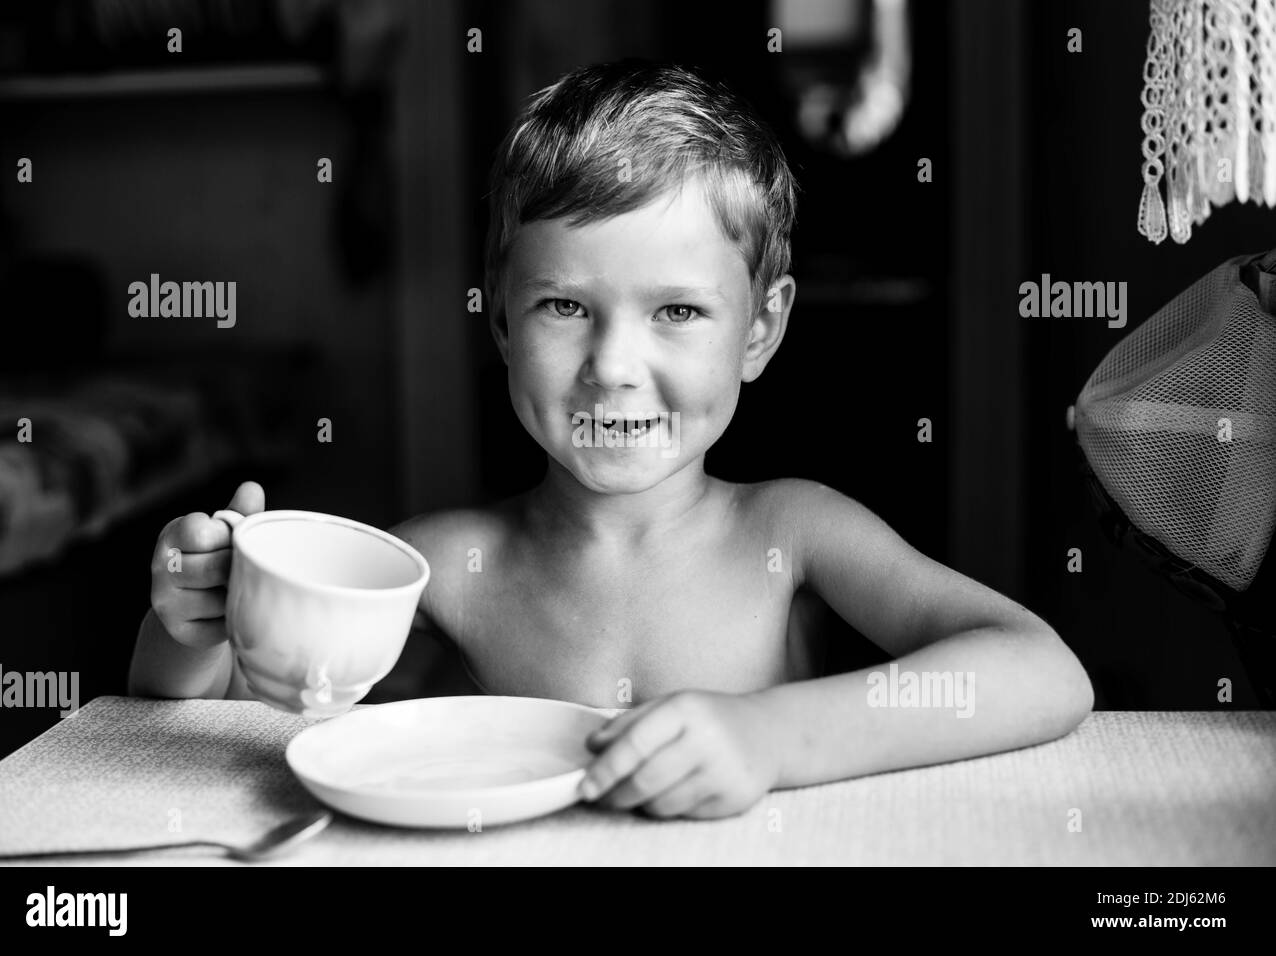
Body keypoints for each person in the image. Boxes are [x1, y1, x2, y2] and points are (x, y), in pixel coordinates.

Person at [130, 60, 1092, 820]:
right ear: (502, 323)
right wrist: (191, 627)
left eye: (676, 309)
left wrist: (769, 738)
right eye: (563, 307)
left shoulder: (795, 534)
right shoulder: (446, 563)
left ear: (759, 330)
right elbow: (227, 732)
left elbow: (1040, 670)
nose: (613, 365)